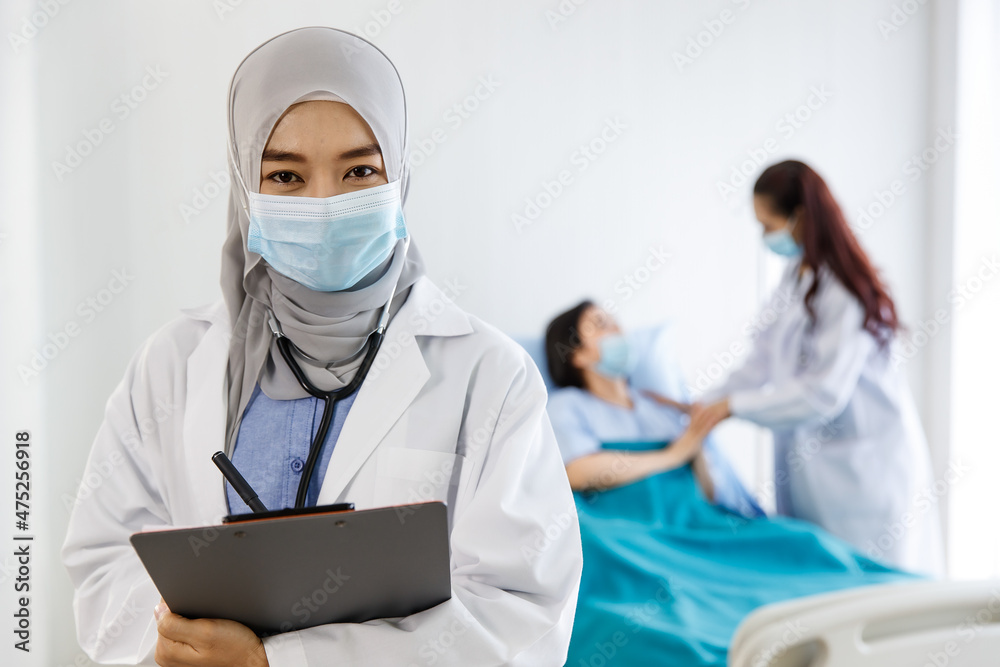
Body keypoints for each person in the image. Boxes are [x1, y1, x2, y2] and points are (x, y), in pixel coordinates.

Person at [61, 27, 582, 666]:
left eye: (360, 170)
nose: (326, 204)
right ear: (244, 187)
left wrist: (279, 661)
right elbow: (103, 560)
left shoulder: (489, 375)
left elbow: (521, 615)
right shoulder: (169, 367)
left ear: (399, 173)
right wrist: (179, 644)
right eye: (285, 174)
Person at [544, 300, 918, 667]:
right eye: (600, 325)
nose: (617, 331)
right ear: (576, 354)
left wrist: (696, 446)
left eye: (615, 321)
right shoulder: (567, 406)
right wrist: (672, 455)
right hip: (634, 532)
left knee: (803, 542)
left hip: (699, 525)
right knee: (658, 610)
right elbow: (578, 471)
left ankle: (904, 603)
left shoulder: (662, 407)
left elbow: (706, 493)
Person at [692, 159, 943, 575]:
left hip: (865, 478)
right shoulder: (795, 278)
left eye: (768, 225)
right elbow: (759, 362)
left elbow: (823, 394)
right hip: (817, 476)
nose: (765, 237)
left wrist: (732, 407)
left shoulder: (844, 289)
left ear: (800, 217)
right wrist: (705, 403)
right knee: (828, 588)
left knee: (878, 591)